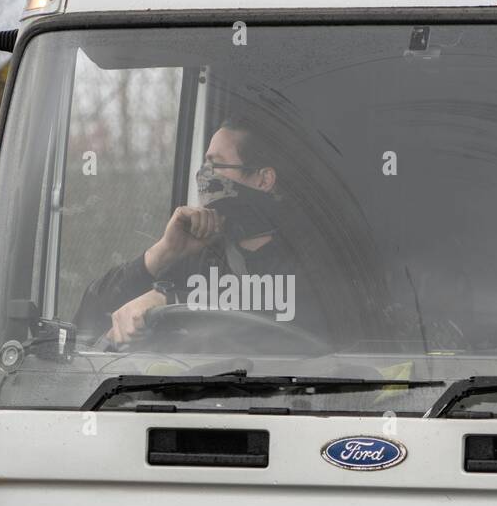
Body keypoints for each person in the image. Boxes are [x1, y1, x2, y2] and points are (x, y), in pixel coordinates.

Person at [74, 116, 327, 346]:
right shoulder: (200, 255)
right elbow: (86, 321)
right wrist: (164, 251)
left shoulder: (311, 256)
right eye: (204, 164)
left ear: (263, 179)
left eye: (216, 165)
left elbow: (288, 318)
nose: (203, 176)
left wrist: (172, 301)